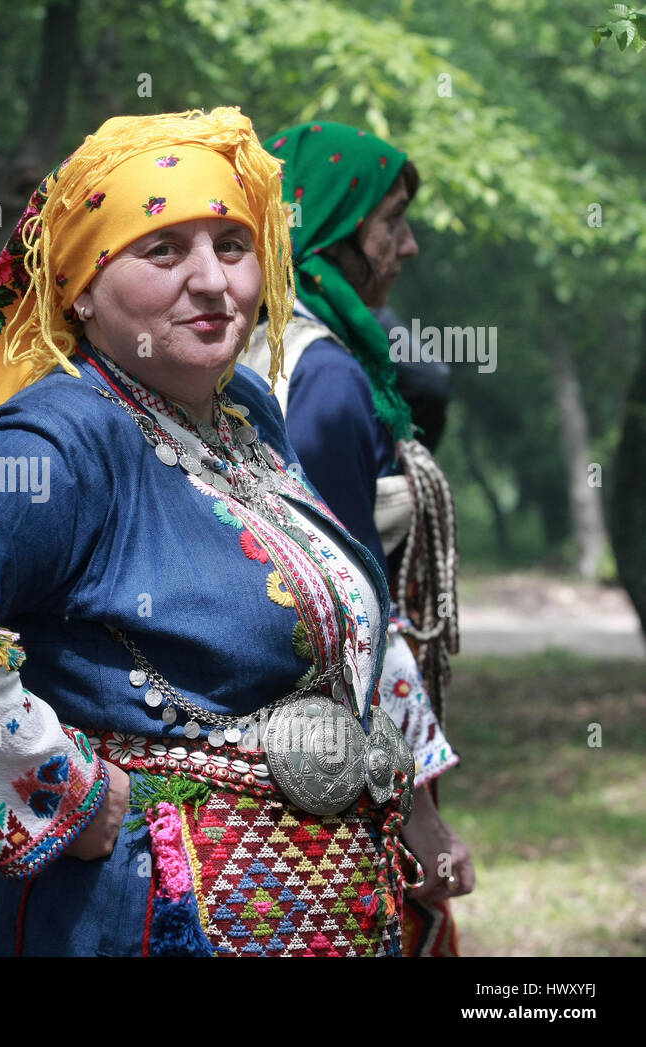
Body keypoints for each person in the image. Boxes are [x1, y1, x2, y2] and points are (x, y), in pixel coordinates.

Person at [0, 108, 425, 956]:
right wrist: (61, 790)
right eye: (164, 249)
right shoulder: (64, 435)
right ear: (82, 288)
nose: (212, 281)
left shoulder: (247, 414)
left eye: (233, 246)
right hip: (130, 918)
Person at [239, 122, 475, 956]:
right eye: (392, 223)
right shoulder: (328, 378)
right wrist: (414, 810)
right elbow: (344, 611)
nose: (407, 247)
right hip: (337, 755)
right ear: (333, 231)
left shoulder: (265, 345)